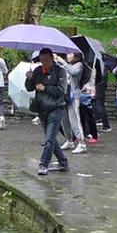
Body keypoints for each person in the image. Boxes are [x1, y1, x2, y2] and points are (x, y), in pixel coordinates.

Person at [26, 48, 69, 176]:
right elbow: (29, 88)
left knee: (49, 139)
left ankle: (43, 164)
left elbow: (61, 91)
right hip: (41, 108)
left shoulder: (60, 72)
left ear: (51, 58)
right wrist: (29, 78)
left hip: (56, 108)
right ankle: (63, 162)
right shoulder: (38, 70)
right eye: (41, 60)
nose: (43, 62)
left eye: (46, 60)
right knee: (51, 138)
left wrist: (45, 88)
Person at [62, 53, 87, 153]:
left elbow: (73, 72)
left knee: (75, 120)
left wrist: (62, 62)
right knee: (64, 120)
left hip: (73, 96)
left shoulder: (79, 65)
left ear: (77, 57)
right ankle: (69, 140)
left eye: (71, 54)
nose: (68, 56)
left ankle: (82, 143)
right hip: (64, 95)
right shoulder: (68, 65)